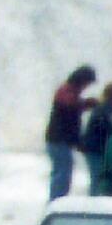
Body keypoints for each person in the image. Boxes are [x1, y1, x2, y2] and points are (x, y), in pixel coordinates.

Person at [45, 65, 97, 199]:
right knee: (62, 173)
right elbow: (70, 111)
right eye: (87, 83)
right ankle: (56, 201)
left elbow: (74, 107)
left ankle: (58, 199)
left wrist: (86, 104)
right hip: (58, 141)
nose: (86, 87)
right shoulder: (66, 92)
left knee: (63, 172)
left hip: (58, 140)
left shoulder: (69, 92)